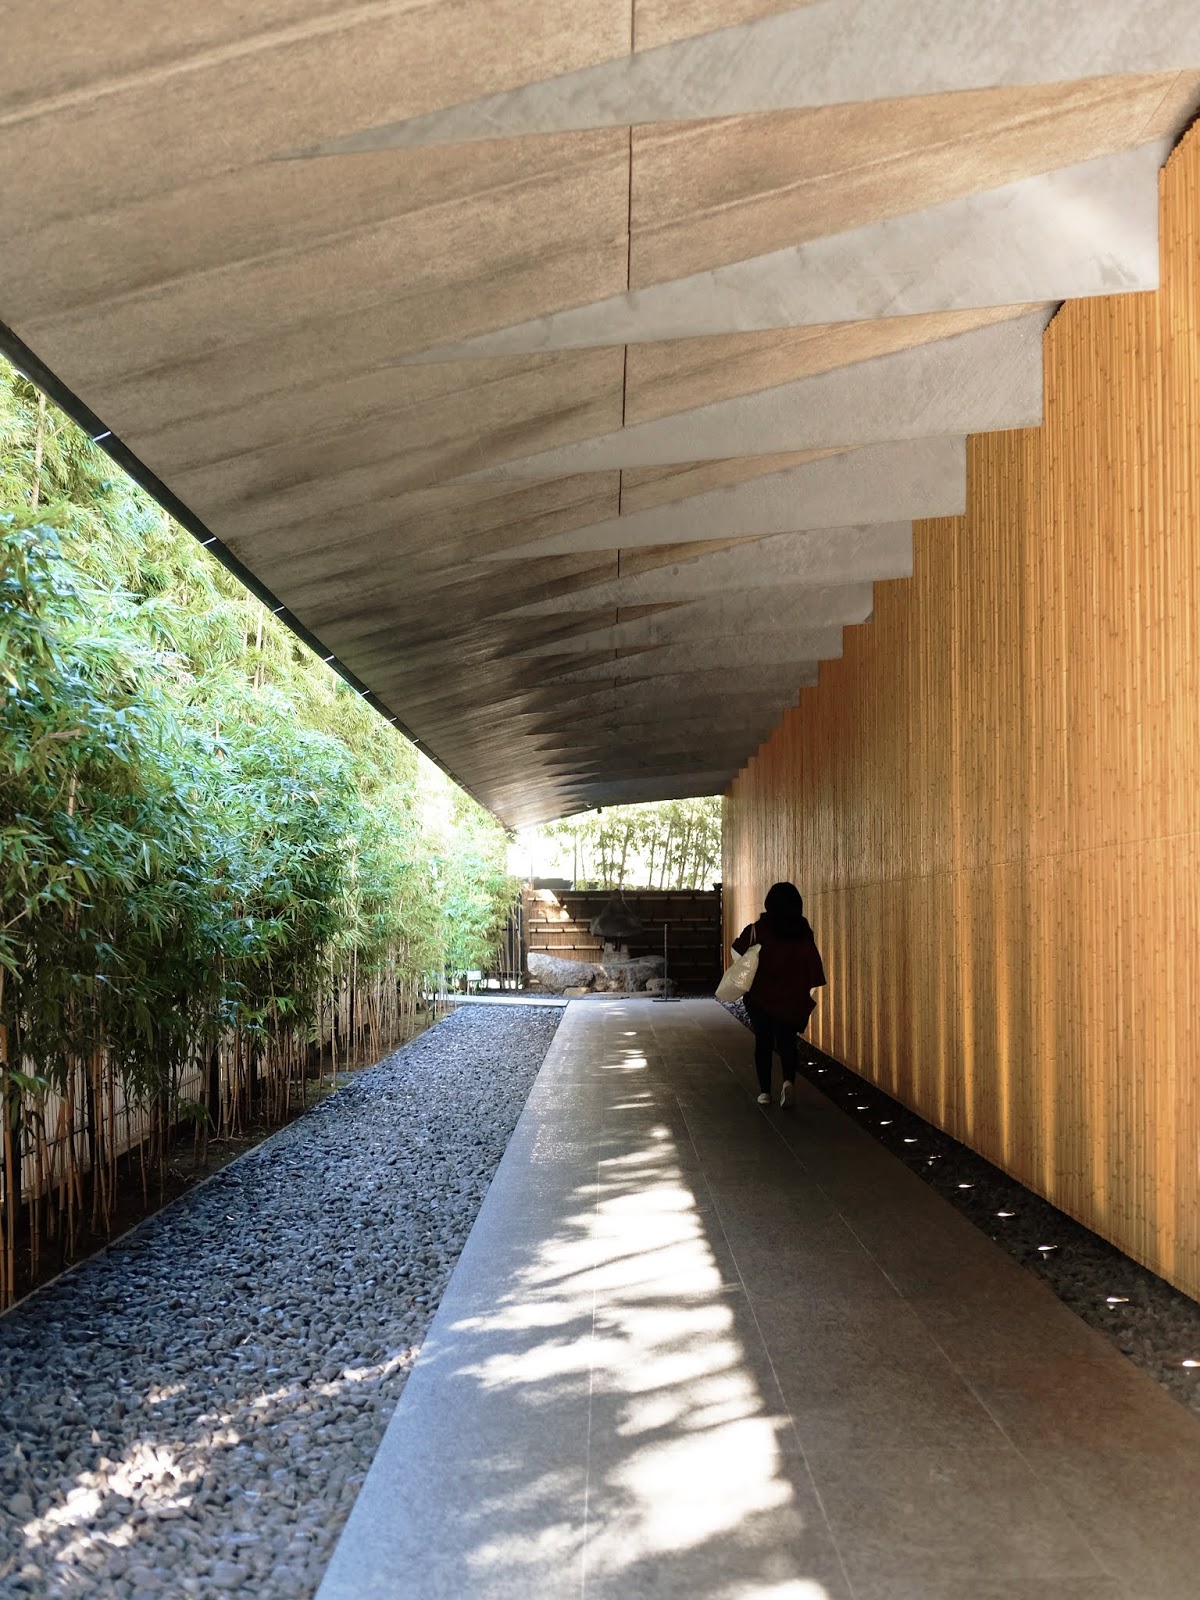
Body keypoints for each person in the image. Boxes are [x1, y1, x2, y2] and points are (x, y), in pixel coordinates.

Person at [732, 882, 826, 1109]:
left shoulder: (758, 929)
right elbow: (811, 962)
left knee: (763, 1041)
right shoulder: (802, 930)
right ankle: (788, 1081)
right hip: (791, 996)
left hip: (760, 996)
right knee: (787, 1041)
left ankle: (765, 1092)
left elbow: (737, 951)